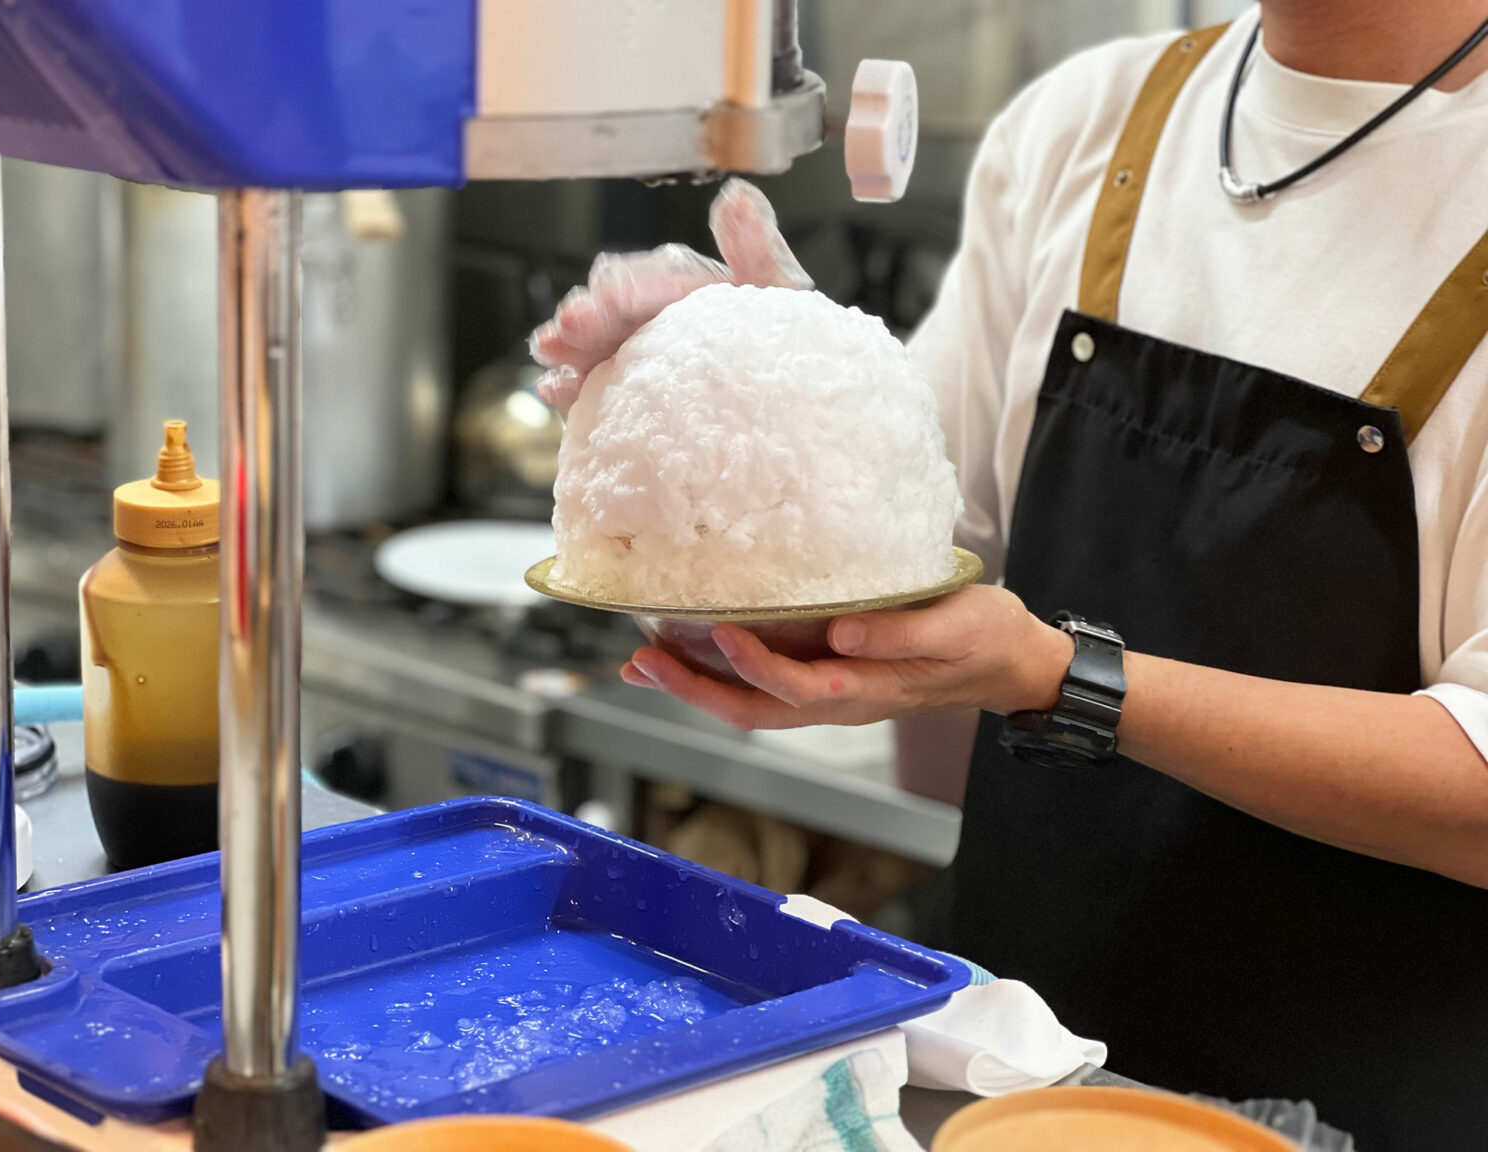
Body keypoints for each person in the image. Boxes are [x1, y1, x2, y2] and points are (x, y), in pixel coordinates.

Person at [530, 2, 1488, 1146]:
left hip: (1374, 1106)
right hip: (1018, 1084)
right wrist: (756, 420)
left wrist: (1058, 677)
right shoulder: (1088, 125)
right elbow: (883, 594)